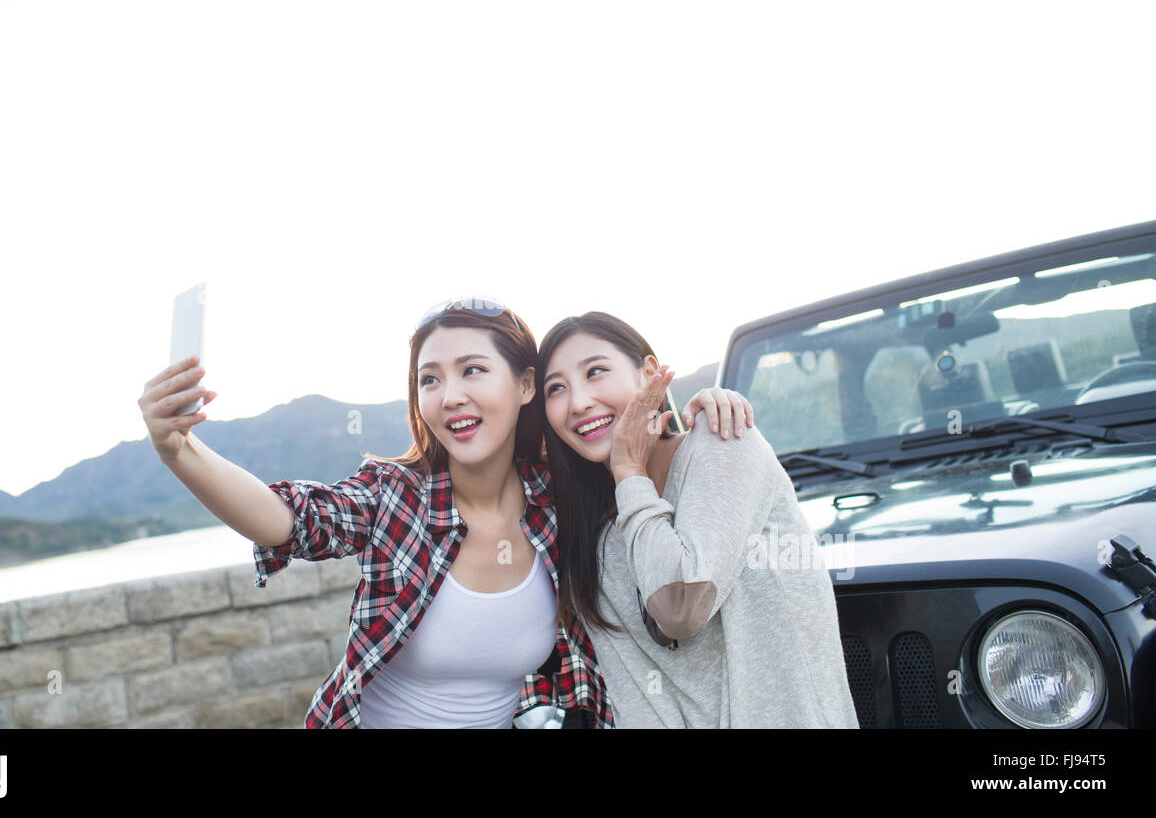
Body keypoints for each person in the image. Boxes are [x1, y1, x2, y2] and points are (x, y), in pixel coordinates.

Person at [137, 298, 750, 728]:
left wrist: (698, 409)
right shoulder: (395, 497)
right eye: (430, 379)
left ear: (527, 386)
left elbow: (632, 453)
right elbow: (290, 518)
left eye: (473, 370)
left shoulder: (559, 501)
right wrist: (179, 450)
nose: (450, 394)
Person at [538, 311, 859, 728]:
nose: (578, 402)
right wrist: (627, 480)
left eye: (595, 371)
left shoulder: (723, 441)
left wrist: (629, 474)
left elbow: (681, 605)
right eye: (556, 389)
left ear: (649, 373)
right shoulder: (596, 539)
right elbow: (638, 700)